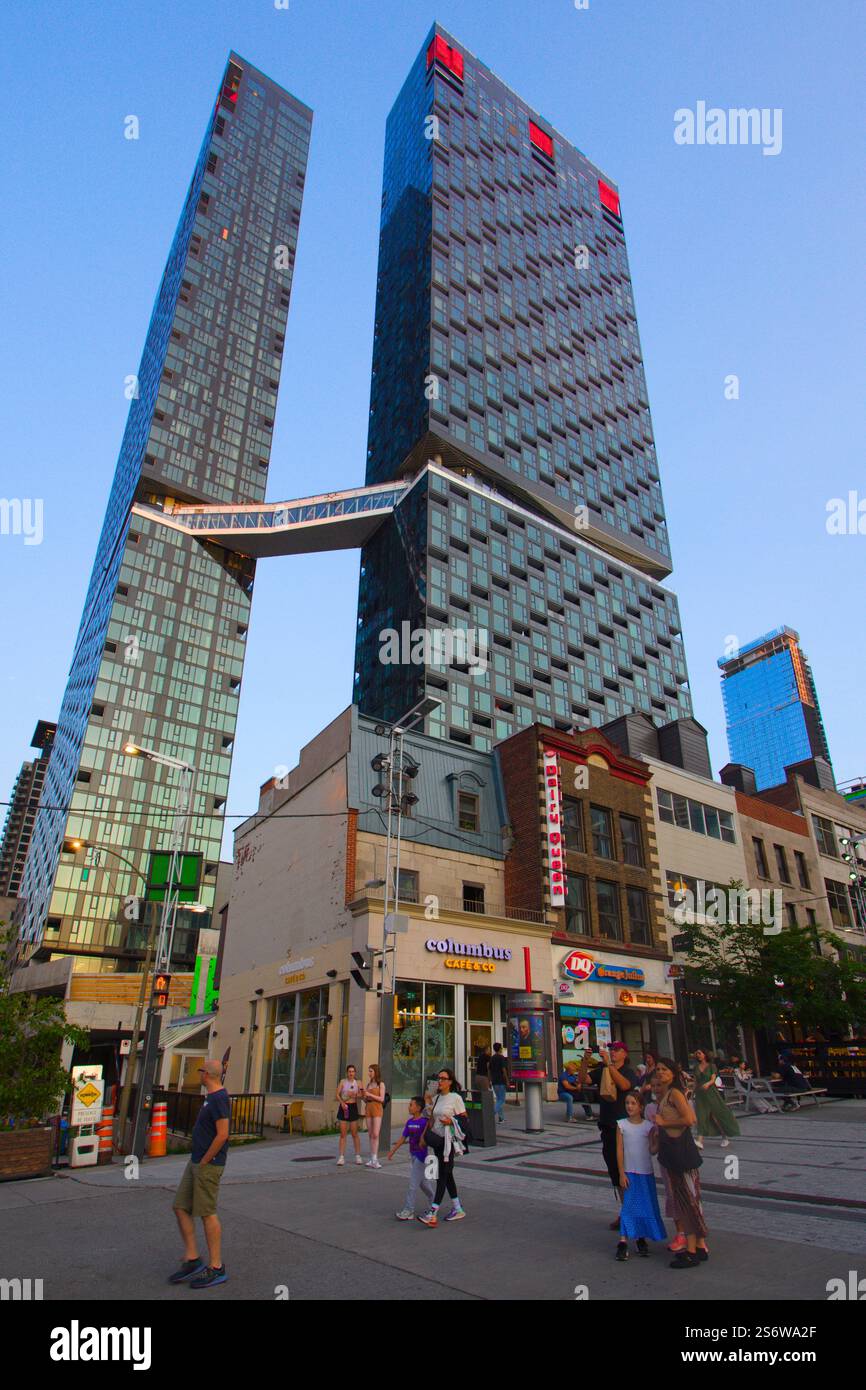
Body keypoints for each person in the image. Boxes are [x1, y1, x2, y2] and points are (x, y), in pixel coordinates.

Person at [169, 1059, 230, 1288]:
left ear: (207, 1075)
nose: (199, 1074)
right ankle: (193, 1258)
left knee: (207, 1212)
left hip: (208, 1164)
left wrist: (205, 1160)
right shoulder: (211, 1098)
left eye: (201, 1070)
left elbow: (223, 1134)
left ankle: (216, 1267)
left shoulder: (220, 1099)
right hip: (195, 1161)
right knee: (180, 1206)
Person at [652, 1057, 708, 1269]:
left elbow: (689, 1119)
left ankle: (692, 1251)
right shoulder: (664, 1096)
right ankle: (699, 1247)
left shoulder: (675, 1093)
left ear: (673, 1073)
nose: (660, 1072)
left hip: (681, 1152)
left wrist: (664, 1122)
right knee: (685, 1199)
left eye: (664, 1069)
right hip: (670, 1152)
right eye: (657, 1069)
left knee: (688, 1200)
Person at [579, 1042, 637, 1229]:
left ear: (625, 1054)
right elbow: (583, 1080)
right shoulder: (603, 1070)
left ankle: (633, 1212)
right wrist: (585, 1061)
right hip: (608, 1126)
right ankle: (625, 1211)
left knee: (627, 1172)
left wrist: (609, 1065)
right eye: (611, 1049)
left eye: (617, 1049)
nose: (613, 1052)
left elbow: (624, 1085)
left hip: (625, 1127)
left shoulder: (627, 1071)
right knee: (615, 1172)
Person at [614, 1090, 667, 1260]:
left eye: (633, 1103)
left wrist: (658, 1140)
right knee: (628, 1206)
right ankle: (623, 1241)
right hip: (629, 1172)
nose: (629, 1106)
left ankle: (640, 1237)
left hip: (645, 1172)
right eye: (627, 1103)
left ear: (641, 1106)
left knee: (645, 1205)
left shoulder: (648, 1126)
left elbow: (651, 1150)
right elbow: (619, 1151)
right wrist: (621, 1173)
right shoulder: (621, 1125)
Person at [417, 1068, 468, 1227]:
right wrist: (424, 1136)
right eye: (439, 1078)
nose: (440, 1081)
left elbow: (464, 1119)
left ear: (450, 1081)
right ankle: (458, 1208)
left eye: (444, 1078)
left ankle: (433, 1212)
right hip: (437, 1140)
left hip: (449, 1141)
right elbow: (430, 1118)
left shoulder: (455, 1098)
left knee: (442, 1175)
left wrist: (451, 1121)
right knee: (447, 1174)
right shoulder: (437, 1098)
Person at [387, 1097, 435, 1220]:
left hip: (422, 1156)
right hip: (413, 1155)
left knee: (413, 1184)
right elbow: (403, 1138)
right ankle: (434, 1203)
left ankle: (409, 1210)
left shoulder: (424, 1122)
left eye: (411, 1105)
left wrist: (431, 1108)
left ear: (418, 1108)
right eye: (409, 1104)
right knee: (424, 1184)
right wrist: (392, 1151)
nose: (409, 1107)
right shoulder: (409, 1122)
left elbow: (432, 1124)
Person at [692, 1047, 740, 1148]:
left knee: (715, 1116)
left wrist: (708, 1084)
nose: (698, 1055)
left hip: (711, 1093)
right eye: (697, 1054)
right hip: (700, 1094)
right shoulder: (696, 1067)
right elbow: (695, 1082)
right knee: (701, 1116)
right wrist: (692, 1093)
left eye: (699, 1053)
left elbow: (713, 1079)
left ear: (705, 1054)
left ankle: (724, 1137)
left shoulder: (712, 1066)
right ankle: (699, 1141)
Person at [336, 1064, 363, 1166]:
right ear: (347, 1073)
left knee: (354, 1133)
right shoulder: (343, 1082)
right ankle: (341, 1157)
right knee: (343, 1134)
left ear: (355, 1073)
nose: (351, 1073)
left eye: (353, 1071)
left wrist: (355, 1094)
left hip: (353, 1107)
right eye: (349, 1071)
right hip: (344, 1107)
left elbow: (362, 1094)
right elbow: (337, 1094)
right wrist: (342, 1103)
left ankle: (358, 1156)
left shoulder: (358, 1082)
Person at [362, 1063, 386, 1167]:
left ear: (376, 1072)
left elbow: (382, 1099)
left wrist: (369, 1094)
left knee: (376, 1134)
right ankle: (372, 1158)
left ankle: (375, 1159)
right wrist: (363, 1096)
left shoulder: (381, 1084)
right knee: (370, 1134)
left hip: (377, 1108)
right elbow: (366, 1099)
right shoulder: (368, 1085)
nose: (369, 1073)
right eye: (369, 1071)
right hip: (368, 1108)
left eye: (371, 1071)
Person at [488, 1041, 509, 1124]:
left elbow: (489, 1070)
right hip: (501, 1081)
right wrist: (507, 1080)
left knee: (498, 1099)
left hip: (494, 1082)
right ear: (500, 1049)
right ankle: (490, 1114)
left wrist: (490, 1080)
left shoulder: (492, 1058)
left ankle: (501, 1118)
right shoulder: (501, 1058)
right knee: (501, 1100)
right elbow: (503, 1070)